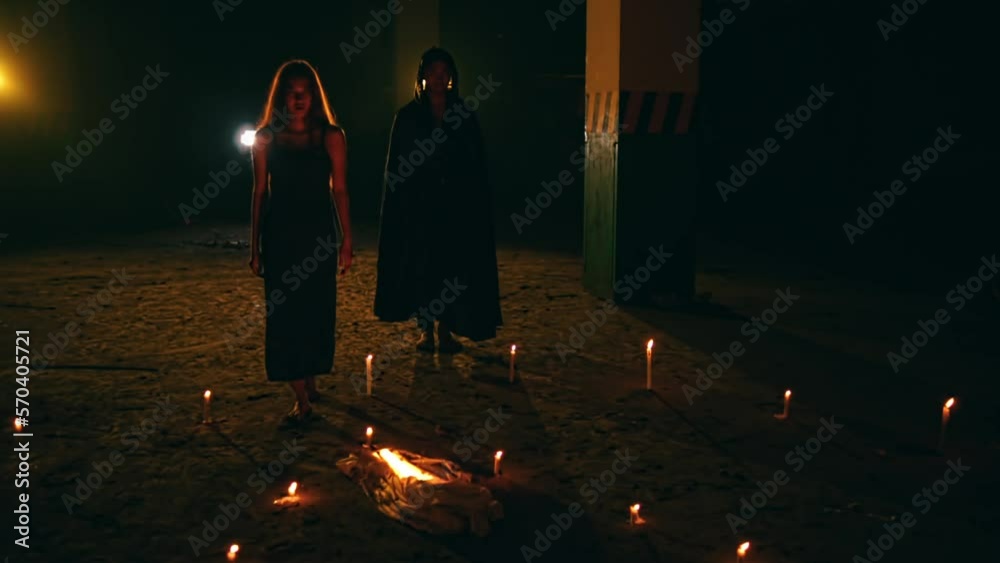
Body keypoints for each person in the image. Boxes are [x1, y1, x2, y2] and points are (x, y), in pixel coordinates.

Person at [374, 47, 502, 352]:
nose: (438, 78)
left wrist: (471, 204)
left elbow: (475, 164)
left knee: (451, 267)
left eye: (443, 72)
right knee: (422, 267)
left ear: (451, 77)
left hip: (455, 209)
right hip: (418, 208)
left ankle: (446, 328)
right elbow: (397, 167)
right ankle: (426, 329)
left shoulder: (464, 114)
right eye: (432, 72)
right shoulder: (407, 117)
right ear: (423, 76)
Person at [249, 60, 353, 423]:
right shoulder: (266, 139)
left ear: (313, 95)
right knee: (285, 315)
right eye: (291, 92)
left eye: (303, 91)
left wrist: (346, 241)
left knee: (316, 309)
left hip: (318, 234)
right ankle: (301, 399)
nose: (297, 99)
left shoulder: (331, 136)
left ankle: (310, 379)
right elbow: (260, 192)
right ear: (281, 97)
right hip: (281, 235)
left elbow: (339, 190)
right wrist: (255, 246)